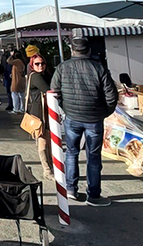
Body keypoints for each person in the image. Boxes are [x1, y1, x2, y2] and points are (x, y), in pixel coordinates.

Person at [50, 36, 118, 206]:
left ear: (72, 51)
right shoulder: (99, 68)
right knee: (93, 156)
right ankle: (93, 195)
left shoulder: (62, 68)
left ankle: (71, 189)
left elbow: (54, 92)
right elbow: (111, 95)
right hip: (94, 118)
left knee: (71, 152)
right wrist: (104, 112)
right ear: (88, 50)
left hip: (72, 117)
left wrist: (65, 107)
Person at [25, 54, 54, 180]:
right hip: (39, 115)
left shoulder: (44, 75)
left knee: (49, 143)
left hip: (47, 112)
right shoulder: (36, 76)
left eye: (42, 63)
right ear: (32, 65)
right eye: (37, 64)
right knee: (43, 143)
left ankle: (51, 168)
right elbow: (48, 89)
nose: (40, 66)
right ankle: (47, 170)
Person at [0, 45, 14, 110]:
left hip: (12, 74)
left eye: (11, 48)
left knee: (14, 90)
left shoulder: (16, 55)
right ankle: (10, 104)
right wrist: (1, 74)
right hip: (6, 74)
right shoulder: (4, 56)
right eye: (9, 48)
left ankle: (13, 104)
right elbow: (2, 65)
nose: (10, 49)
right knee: (8, 90)